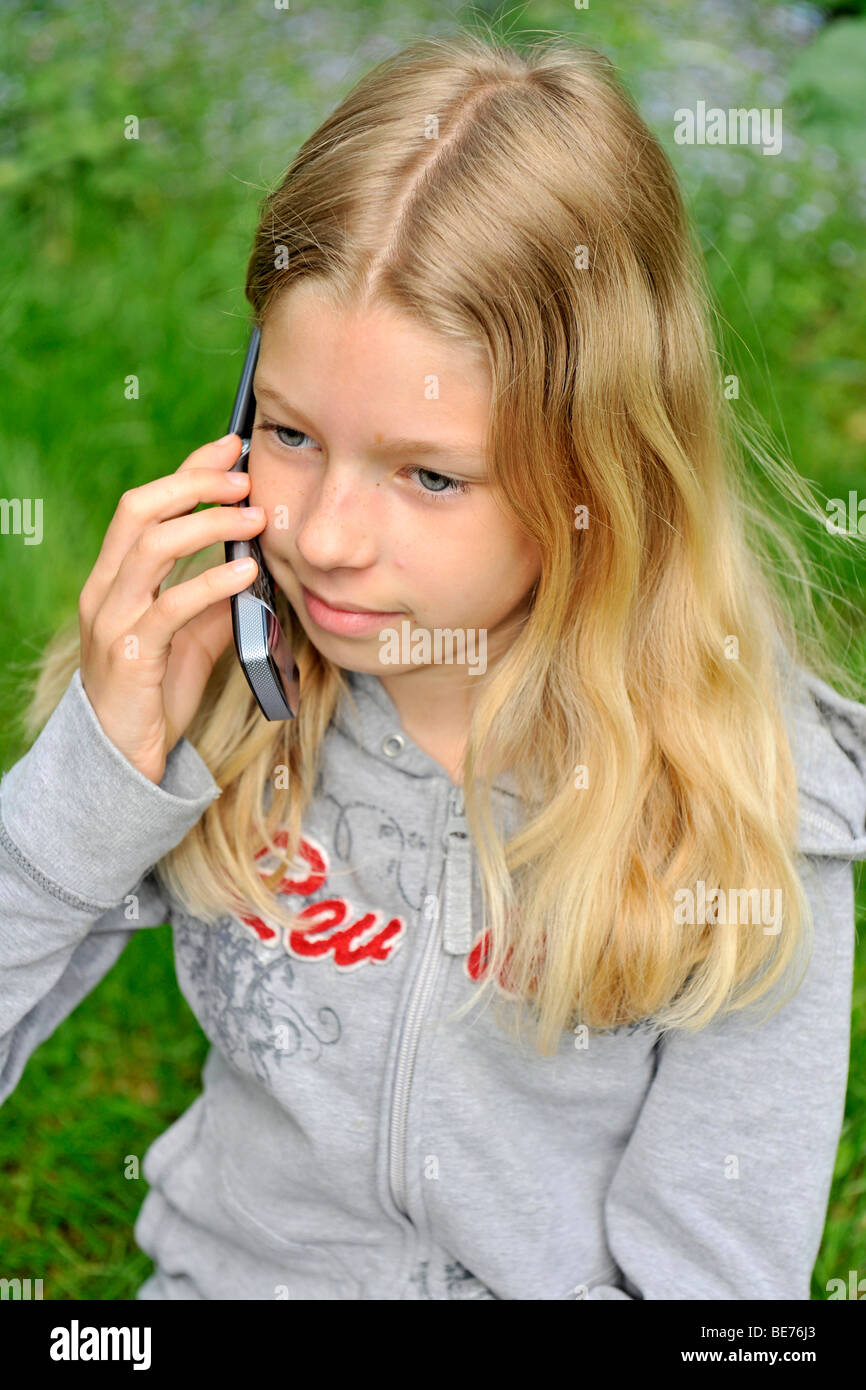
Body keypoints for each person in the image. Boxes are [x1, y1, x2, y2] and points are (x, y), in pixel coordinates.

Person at [2, 31, 865, 1301]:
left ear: (598, 475)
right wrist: (94, 775)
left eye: (427, 473)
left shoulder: (741, 804)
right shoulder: (222, 693)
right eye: (290, 434)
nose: (325, 539)